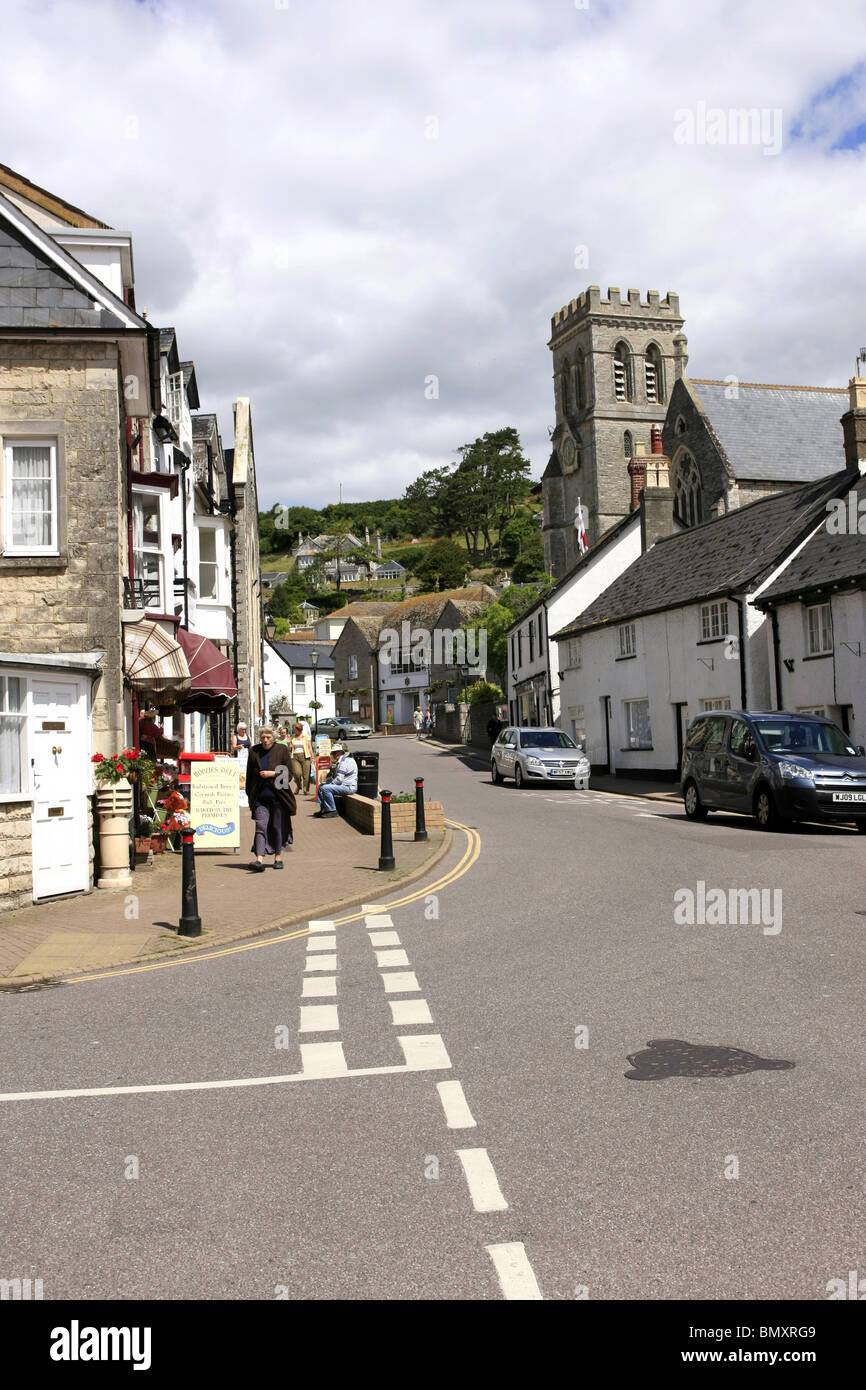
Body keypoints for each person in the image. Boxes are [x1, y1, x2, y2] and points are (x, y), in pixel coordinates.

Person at [245, 726, 296, 870]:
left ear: (273, 738)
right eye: (262, 738)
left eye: (268, 737)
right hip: (260, 798)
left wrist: (272, 774)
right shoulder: (254, 751)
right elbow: (249, 775)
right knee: (260, 827)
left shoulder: (281, 749)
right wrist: (250, 794)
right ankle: (259, 859)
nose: (265, 740)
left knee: (276, 827)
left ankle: (278, 857)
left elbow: (289, 773)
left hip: (278, 797)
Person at [314, 743, 357, 818]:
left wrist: (330, 784)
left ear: (340, 752)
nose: (333, 755)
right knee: (321, 786)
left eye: (334, 753)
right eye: (333, 753)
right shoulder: (344, 760)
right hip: (346, 785)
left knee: (325, 788)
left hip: (349, 787)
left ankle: (332, 810)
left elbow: (339, 780)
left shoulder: (343, 763)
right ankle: (324, 809)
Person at [290, 720, 312, 794]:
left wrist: (312, 757)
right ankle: (299, 786)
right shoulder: (292, 737)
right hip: (295, 756)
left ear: (299, 729)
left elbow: (309, 747)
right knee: (297, 773)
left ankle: (306, 790)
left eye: (294, 729)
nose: (293, 731)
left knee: (306, 775)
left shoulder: (305, 736)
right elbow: (289, 748)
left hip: (305, 756)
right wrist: (289, 743)